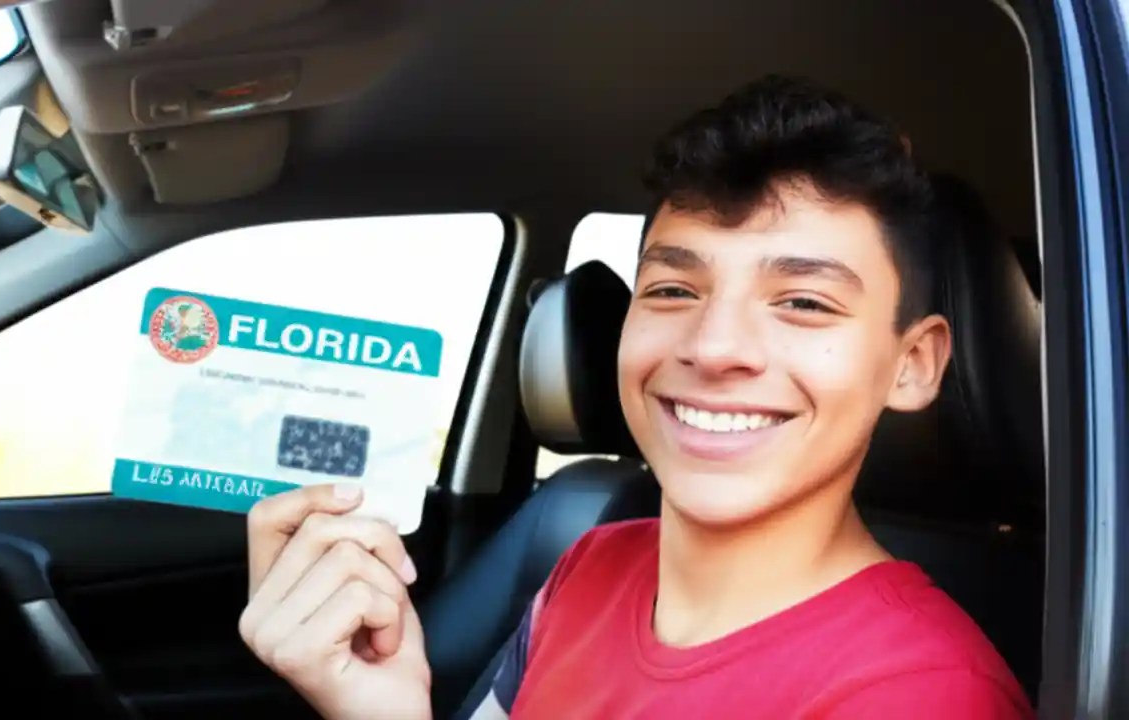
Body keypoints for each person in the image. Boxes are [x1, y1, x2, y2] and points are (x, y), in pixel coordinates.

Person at [237, 75, 1035, 719]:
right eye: (673, 289)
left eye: (803, 303)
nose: (713, 347)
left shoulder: (921, 695)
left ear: (913, 365)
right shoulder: (591, 559)